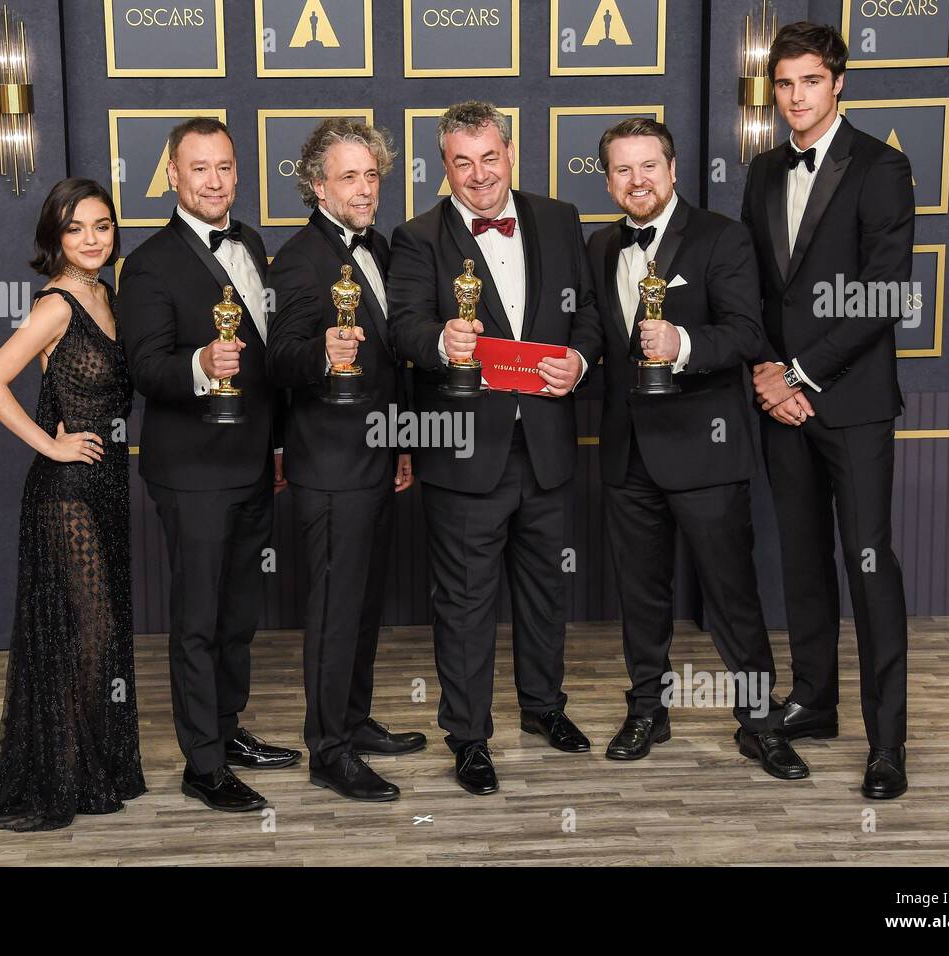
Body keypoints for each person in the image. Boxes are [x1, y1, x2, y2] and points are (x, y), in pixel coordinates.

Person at [0, 179, 145, 830]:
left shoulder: (108, 295)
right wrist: (51, 444)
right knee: (86, 631)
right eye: (76, 229)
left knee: (99, 635)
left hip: (108, 489)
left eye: (102, 226)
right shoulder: (57, 305)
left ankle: (84, 761)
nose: (92, 239)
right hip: (66, 493)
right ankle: (60, 769)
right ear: (55, 239)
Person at [388, 101, 605, 795]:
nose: (478, 175)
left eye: (489, 157)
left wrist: (579, 360)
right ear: (443, 167)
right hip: (462, 450)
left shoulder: (559, 218)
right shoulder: (416, 236)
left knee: (546, 592)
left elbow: (591, 317)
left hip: (546, 443)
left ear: (510, 152)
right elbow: (403, 330)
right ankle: (469, 736)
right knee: (465, 602)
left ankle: (543, 709)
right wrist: (436, 342)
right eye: (462, 162)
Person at [586, 119, 807, 780]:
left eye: (649, 165)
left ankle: (759, 723)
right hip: (627, 454)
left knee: (733, 595)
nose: (637, 180)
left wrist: (680, 346)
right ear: (608, 180)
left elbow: (744, 332)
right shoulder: (598, 247)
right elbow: (594, 332)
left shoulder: (721, 237)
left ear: (673, 168)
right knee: (640, 594)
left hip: (705, 453)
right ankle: (648, 710)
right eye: (623, 170)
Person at [741, 22, 913, 799]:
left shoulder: (882, 166)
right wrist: (769, 376)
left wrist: (802, 373)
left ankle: (888, 742)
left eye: (810, 81)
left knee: (868, 564)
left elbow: (883, 294)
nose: (796, 97)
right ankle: (814, 701)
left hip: (853, 403)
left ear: (837, 83)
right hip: (783, 404)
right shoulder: (761, 171)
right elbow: (750, 290)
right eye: (783, 84)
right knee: (803, 562)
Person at [118, 117, 299, 814]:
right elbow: (146, 368)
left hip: (253, 461)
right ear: (172, 175)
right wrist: (199, 364)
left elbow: (270, 364)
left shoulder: (251, 241)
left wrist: (279, 444)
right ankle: (202, 765)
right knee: (197, 619)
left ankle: (227, 732)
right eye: (200, 169)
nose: (216, 181)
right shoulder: (149, 263)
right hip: (191, 469)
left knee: (238, 614)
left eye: (225, 166)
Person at [266, 118, 427, 802]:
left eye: (371, 175)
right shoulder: (298, 261)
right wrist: (320, 355)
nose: (364, 189)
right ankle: (328, 749)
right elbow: (278, 359)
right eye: (349, 176)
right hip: (329, 465)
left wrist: (402, 441)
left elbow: (392, 360)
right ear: (316, 185)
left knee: (362, 604)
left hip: (376, 454)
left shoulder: (382, 247)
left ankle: (354, 722)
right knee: (334, 611)